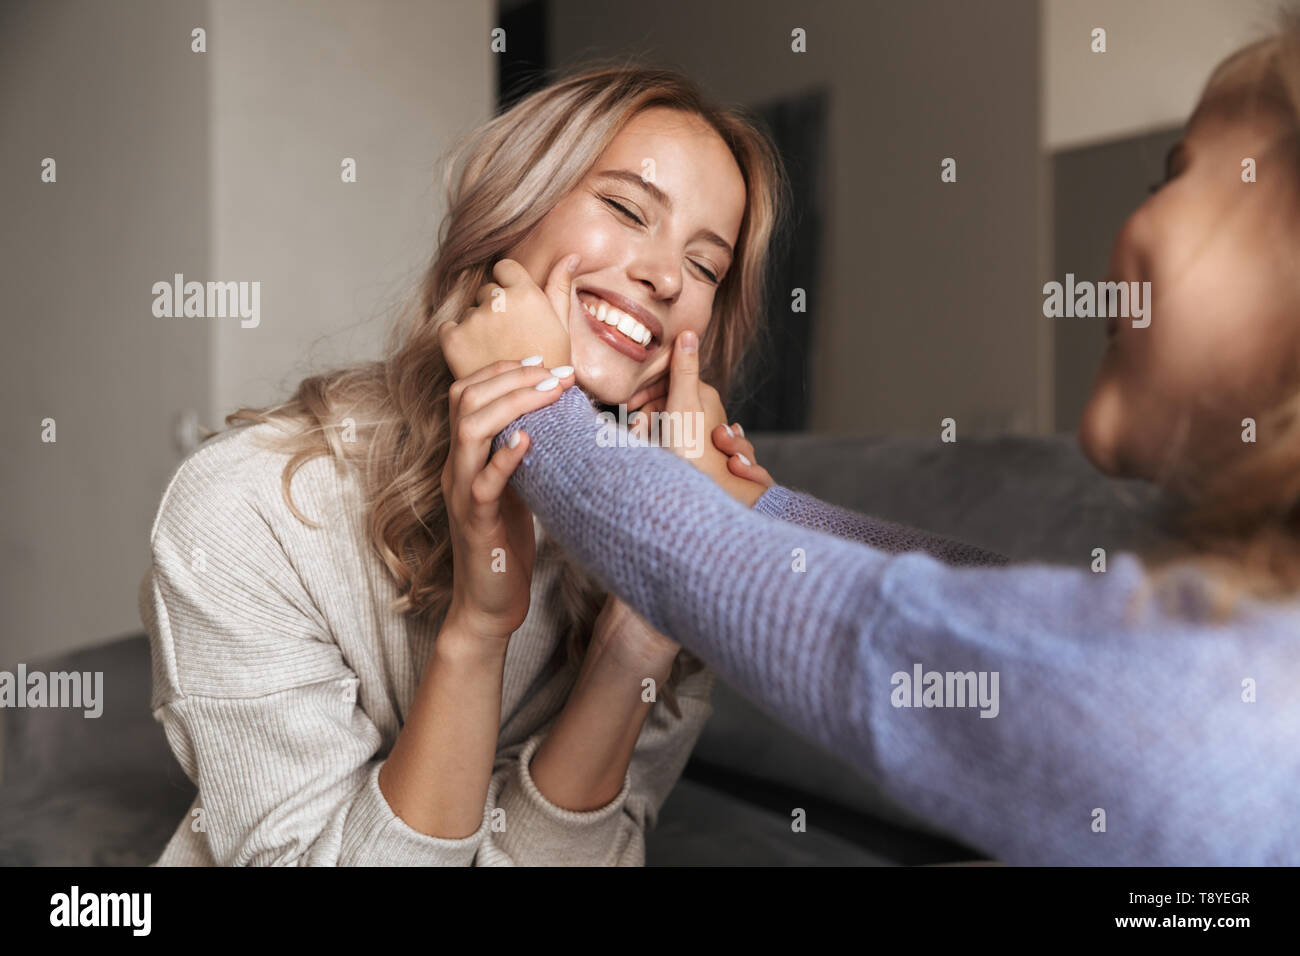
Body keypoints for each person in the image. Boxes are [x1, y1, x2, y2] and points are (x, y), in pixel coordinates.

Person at [438, 21, 1300, 864]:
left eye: (1175, 175)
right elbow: (998, 618)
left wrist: (533, 410)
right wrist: (750, 500)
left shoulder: (1235, 719)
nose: (666, 276)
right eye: (626, 208)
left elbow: (874, 629)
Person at [139, 65, 822, 865]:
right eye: (627, 209)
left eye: (706, 266)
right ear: (511, 213)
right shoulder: (243, 511)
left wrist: (645, 621)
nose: (666, 277)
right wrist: (477, 630)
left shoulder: (688, 524)